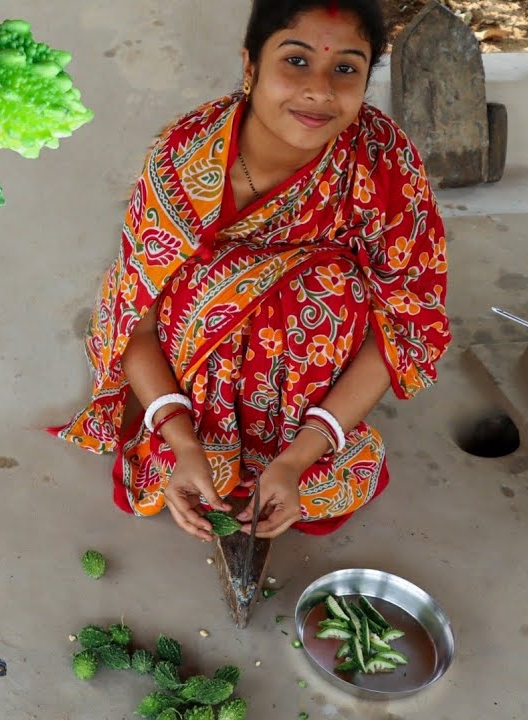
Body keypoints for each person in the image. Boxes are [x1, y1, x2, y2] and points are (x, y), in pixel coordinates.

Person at [51, 0, 451, 542]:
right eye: (296, 61)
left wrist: (299, 457)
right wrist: (182, 443)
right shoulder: (185, 161)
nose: (319, 91)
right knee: (204, 288)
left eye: (346, 68)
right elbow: (135, 325)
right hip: (194, 391)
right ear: (250, 66)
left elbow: (404, 322)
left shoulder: (382, 163)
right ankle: (207, 446)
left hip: (308, 395)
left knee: (325, 291)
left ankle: (281, 456)